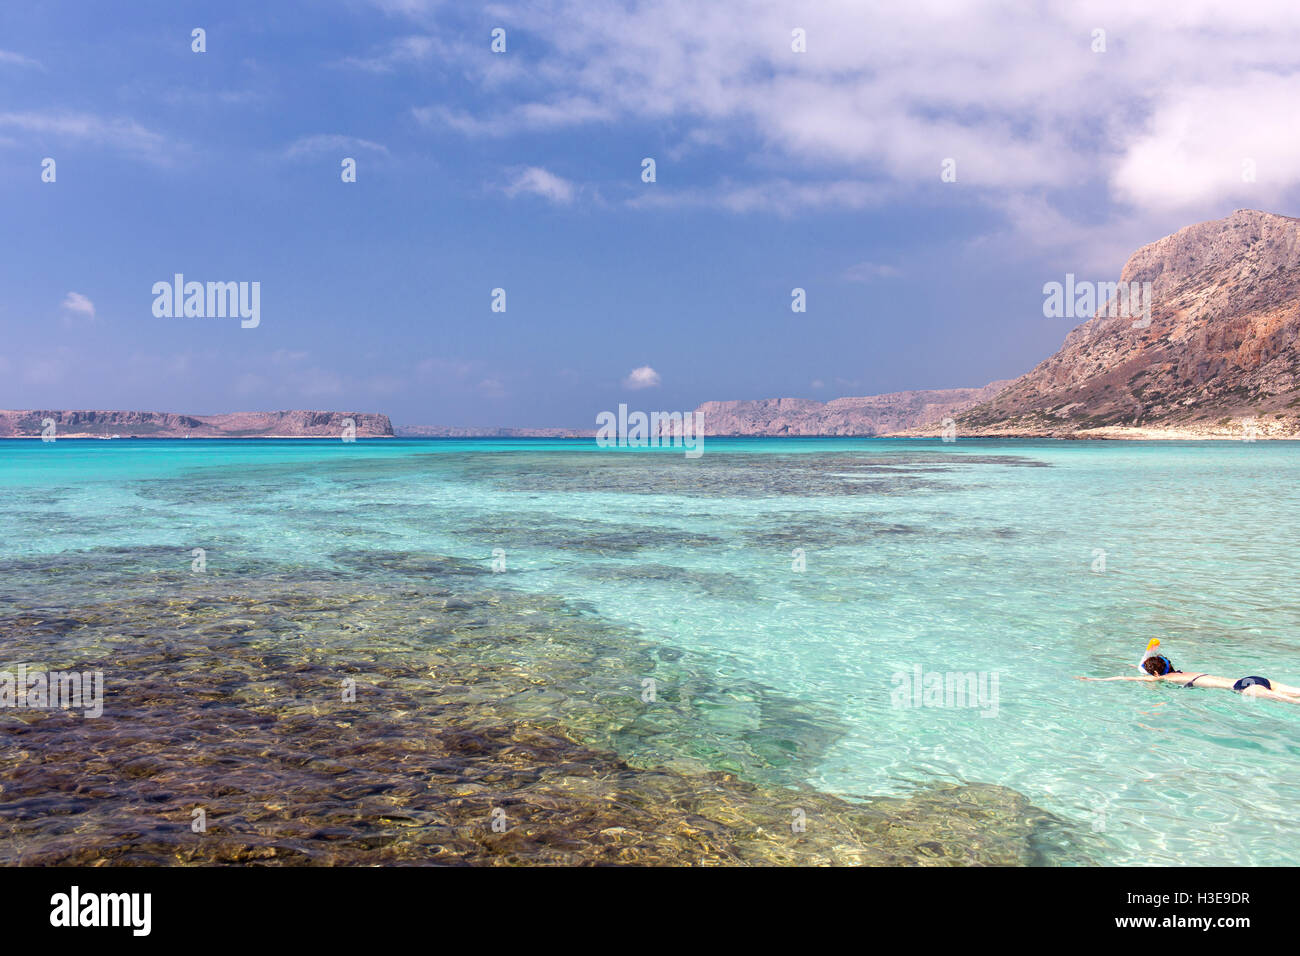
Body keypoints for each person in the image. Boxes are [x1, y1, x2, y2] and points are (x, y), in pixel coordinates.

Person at [1079, 639, 1300, 704]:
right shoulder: (1177, 672)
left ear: (1156, 675)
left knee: (1293, 702)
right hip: (1250, 678)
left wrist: (1095, 679)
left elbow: (1126, 677)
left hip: (1242, 688)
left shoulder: (1164, 679)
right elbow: (1145, 668)